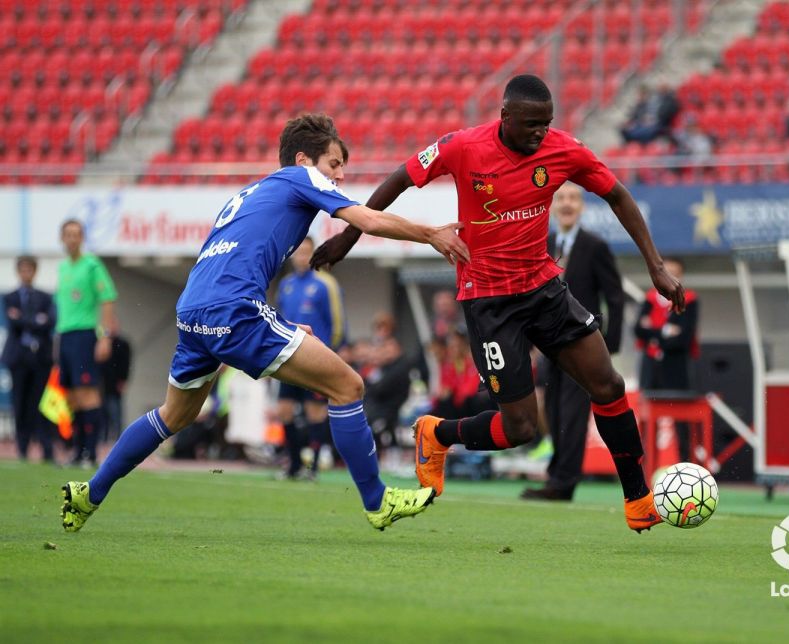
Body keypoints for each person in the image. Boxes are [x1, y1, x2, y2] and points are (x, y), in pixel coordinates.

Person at [60, 114, 470, 533]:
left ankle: (90, 493)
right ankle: (378, 501)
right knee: (348, 386)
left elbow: (232, 267)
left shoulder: (248, 194)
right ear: (303, 159)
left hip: (193, 310)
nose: (341, 175)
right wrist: (431, 234)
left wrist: (278, 322)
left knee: (174, 415)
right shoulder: (301, 177)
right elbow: (368, 220)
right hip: (233, 311)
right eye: (334, 163)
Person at [312, 75, 685, 532]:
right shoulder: (462, 146)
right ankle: (437, 433)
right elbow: (400, 179)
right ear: (505, 116)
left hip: (544, 289)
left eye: (546, 123)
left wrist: (656, 267)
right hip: (489, 301)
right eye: (531, 124)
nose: (540, 133)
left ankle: (638, 498)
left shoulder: (563, 149)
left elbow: (618, 195)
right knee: (521, 428)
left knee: (608, 384)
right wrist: (349, 236)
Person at [521, 182, 625, 502]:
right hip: (548, 345)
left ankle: (564, 483)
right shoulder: (544, 243)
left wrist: (609, 345)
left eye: (573, 198)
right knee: (552, 410)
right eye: (561, 198)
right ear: (552, 206)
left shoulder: (595, 246)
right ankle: (555, 476)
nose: (567, 204)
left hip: (582, 345)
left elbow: (615, 297)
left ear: (582, 206)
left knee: (572, 414)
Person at [275, 236, 346, 480]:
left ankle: (311, 468)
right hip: (288, 357)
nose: (302, 257)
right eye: (299, 252)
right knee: (284, 410)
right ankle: (293, 464)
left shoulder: (326, 284)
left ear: (314, 254)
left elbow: (337, 324)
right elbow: (279, 320)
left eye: (307, 252)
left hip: (315, 359)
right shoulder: (286, 285)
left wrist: (330, 352)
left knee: (314, 412)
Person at [56, 219, 119, 467]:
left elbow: (108, 298)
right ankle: (78, 450)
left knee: (88, 393)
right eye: (68, 234)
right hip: (65, 336)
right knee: (72, 395)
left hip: (84, 335)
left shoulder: (92, 265)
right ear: (62, 238)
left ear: (82, 238)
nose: (72, 238)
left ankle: (91, 453)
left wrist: (104, 336)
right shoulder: (63, 268)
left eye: (76, 234)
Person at [1, 256, 56, 462]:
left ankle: (46, 448)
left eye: (29, 270)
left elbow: (49, 322)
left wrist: (24, 319)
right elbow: (14, 323)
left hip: (40, 358)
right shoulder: (10, 297)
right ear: (18, 272)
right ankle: (22, 448)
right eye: (23, 270)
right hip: (18, 358)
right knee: (20, 403)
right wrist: (36, 320)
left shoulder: (45, 297)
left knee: (40, 404)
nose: (26, 274)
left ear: (35, 271)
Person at [634, 258, 699, 392]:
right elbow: (638, 330)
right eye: (666, 273)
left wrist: (653, 334)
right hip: (650, 365)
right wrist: (666, 330)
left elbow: (683, 337)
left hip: (675, 366)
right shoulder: (650, 298)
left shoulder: (689, 300)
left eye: (674, 274)